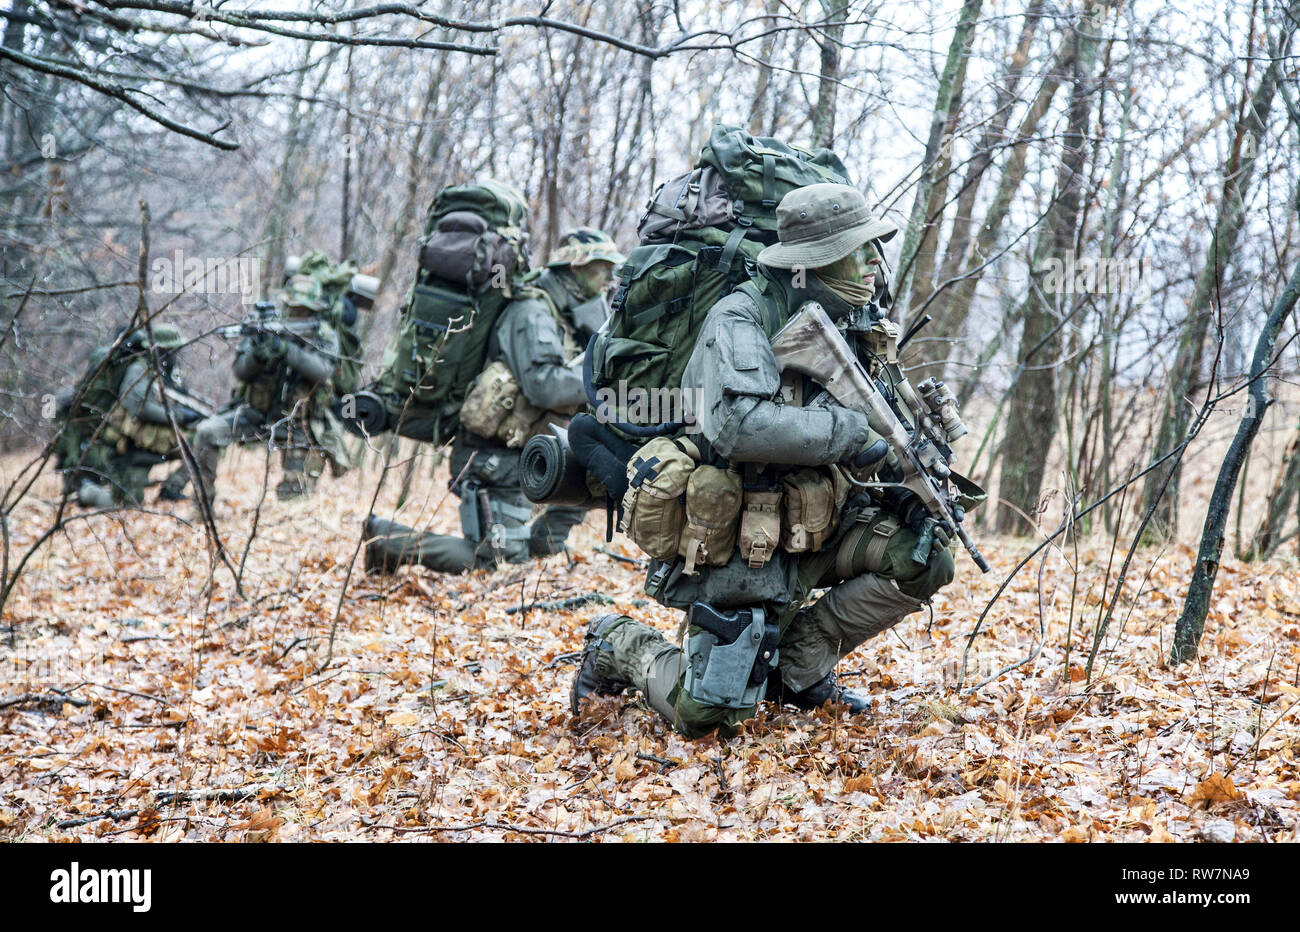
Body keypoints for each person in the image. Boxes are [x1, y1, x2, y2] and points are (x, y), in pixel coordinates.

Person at [570, 184, 958, 738]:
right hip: (739, 542)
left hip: (819, 525)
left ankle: (796, 672)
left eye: (875, 247)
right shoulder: (740, 318)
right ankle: (614, 643)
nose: (875, 261)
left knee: (923, 557)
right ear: (817, 259)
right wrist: (848, 431)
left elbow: (883, 435)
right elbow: (737, 427)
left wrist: (908, 490)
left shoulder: (853, 321)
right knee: (705, 717)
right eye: (860, 248)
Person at [365, 227, 625, 574]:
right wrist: (601, 384)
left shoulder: (561, 314)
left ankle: (531, 552)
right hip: (490, 457)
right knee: (492, 560)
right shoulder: (532, 312)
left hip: (519, 452)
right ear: (575, 267)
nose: (610, 275)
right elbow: (543, 387)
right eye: (603, 266)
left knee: (583, 489)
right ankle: (384, 541)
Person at [181, 273, 353, 506]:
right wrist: (258, 356)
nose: (298, 313)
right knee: (206, 432)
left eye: (304, 309)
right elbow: (241, 371)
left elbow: (323, 371)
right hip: (256, 414)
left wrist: (285, 349)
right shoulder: (267, 327)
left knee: (295, 500)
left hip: (300, 424)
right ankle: (202, 507)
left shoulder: (323, 334)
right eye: (294, 308)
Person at [73, 324, 203, 508]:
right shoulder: (138, 369)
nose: (174, 354)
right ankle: (87, 492)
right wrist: (179, 416)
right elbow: (138, 408)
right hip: (133, 446)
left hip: (151, 440)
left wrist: (188, 413)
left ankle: (172, 488)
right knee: (126, 504)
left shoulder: (162, 370)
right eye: (170, 349)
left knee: (201, 441)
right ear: (158, 349)